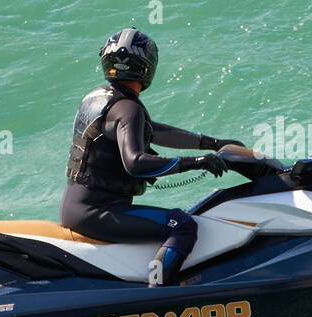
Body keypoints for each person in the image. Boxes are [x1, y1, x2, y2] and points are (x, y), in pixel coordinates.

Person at [61, 28, 245, 287]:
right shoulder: (128, 108)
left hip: (78, 208)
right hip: (99, 212)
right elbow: (135, 163)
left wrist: (214, 144)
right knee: (182, 224)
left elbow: (152, 130)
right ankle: (158, 291)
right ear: (147, 67)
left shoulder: (100, 98)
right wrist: (196, 163)